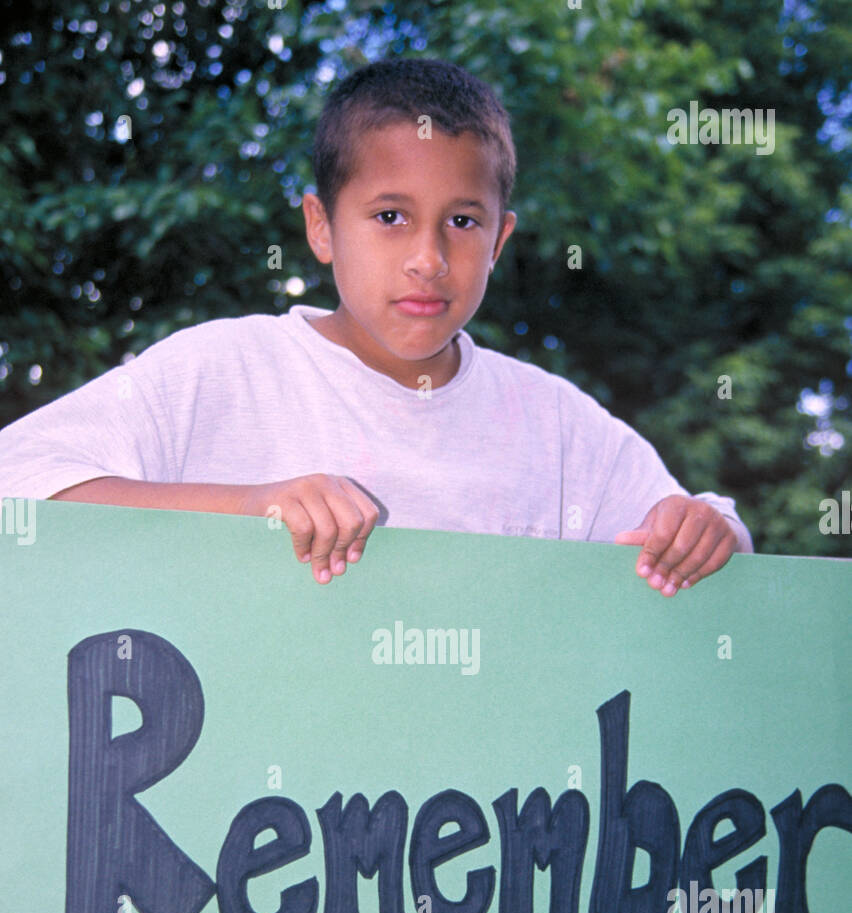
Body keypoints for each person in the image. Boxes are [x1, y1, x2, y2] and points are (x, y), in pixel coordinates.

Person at [0, 57, 752, 592]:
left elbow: (698, 533)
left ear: (500, 240)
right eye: (390, 217)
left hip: (474, 810)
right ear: (321, 227)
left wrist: (707, 529)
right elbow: (19, 487)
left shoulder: (555, 424)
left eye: (462, 221)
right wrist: (251, 504)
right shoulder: (223, 369)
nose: (428, 258)